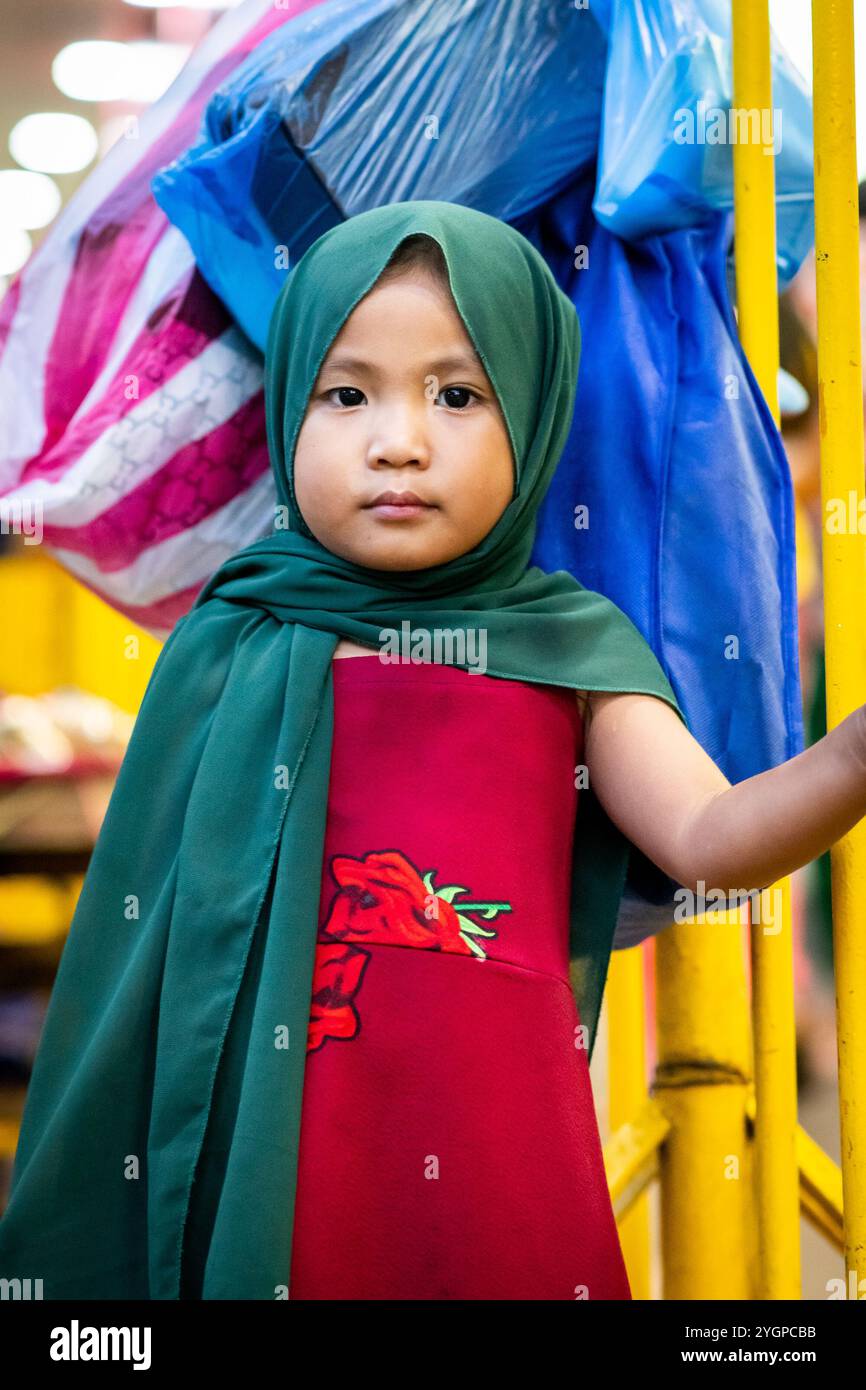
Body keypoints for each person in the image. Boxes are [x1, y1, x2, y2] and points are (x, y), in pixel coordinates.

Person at [2, 200, 866, 1301]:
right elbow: (137, 973)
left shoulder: (569, 651)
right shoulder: (235, 637)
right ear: (287, 413)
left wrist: (847, 759)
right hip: (271, 1165)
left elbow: (707, 839)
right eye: (345, 392)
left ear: (539, 416)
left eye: (457, 395)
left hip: (497, 1159)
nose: (395, 439)